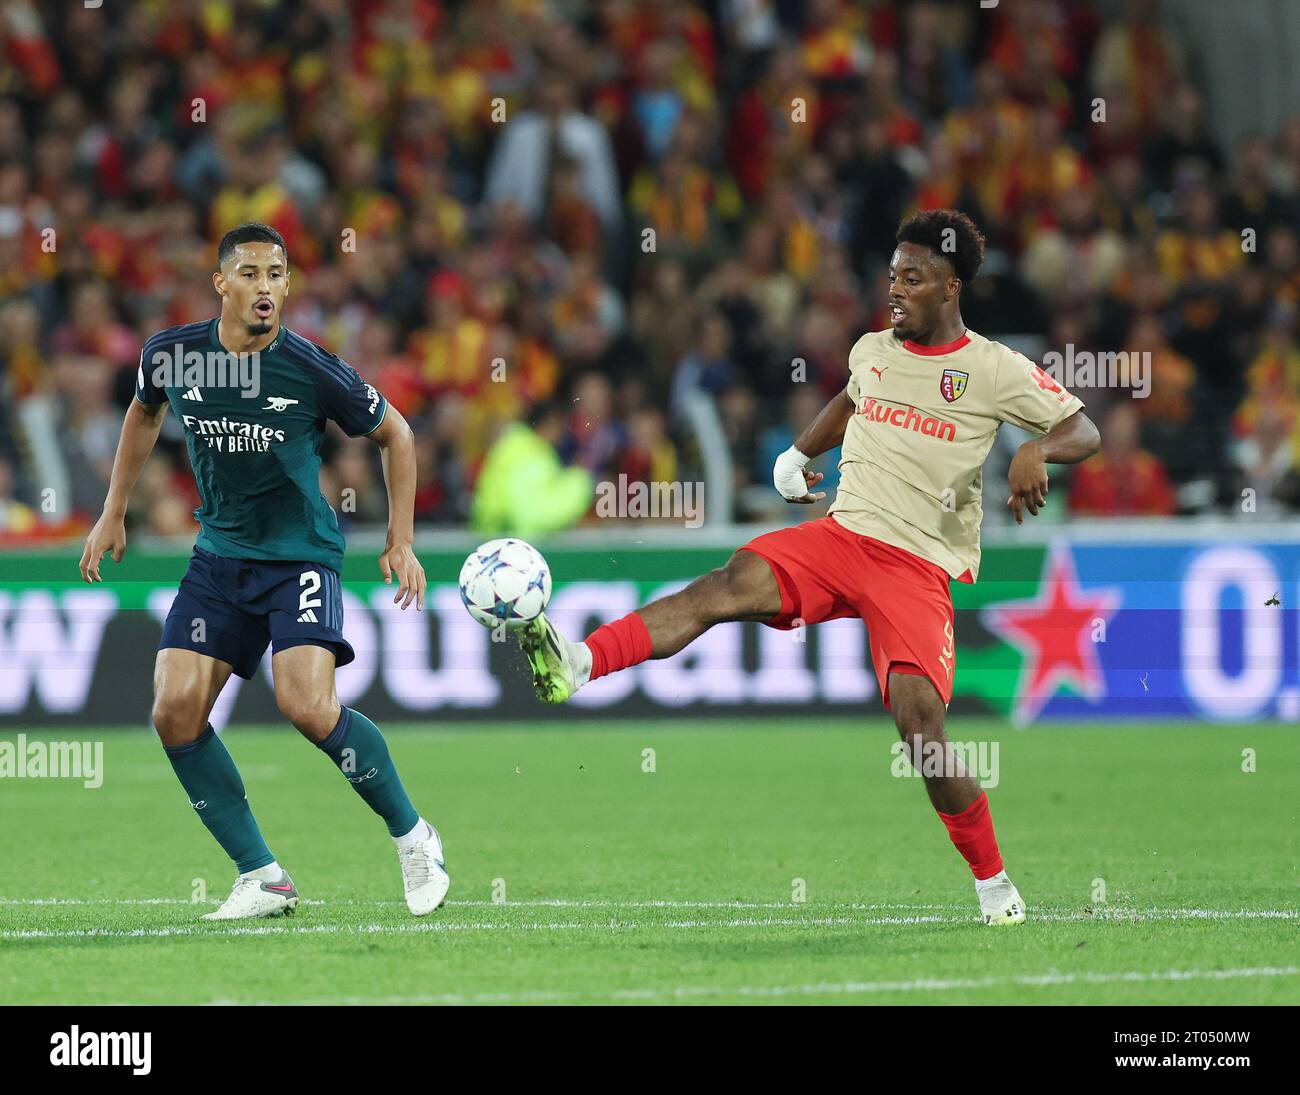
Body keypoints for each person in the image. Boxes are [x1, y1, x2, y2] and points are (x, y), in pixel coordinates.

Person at [512, 210, 1101, 927]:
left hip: (915, 564)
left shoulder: (994, 367)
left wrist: (1039, 449)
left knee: (920, 728)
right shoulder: (872, 349)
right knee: (724, 585)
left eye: (911, 279)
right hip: (842, 535)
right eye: (891, 276)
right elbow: (853, 399)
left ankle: (993, 881)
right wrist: (797, 455)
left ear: (951, 287)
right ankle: (578, 662)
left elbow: (1083, 427)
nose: (895, 291)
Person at [78, 223, 448, 921]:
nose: (267, 287)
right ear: (221, 283)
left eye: (278, 274)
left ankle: (414, 834)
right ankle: (263, 874)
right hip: (219, 557)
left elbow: (396, 433)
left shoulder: (311, 368)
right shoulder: (172, 355)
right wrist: (113, 510)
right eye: (250, 273)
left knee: (306, 706)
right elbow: (142, 414)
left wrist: (401, 539)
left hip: (300, 554)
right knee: (173, 710)